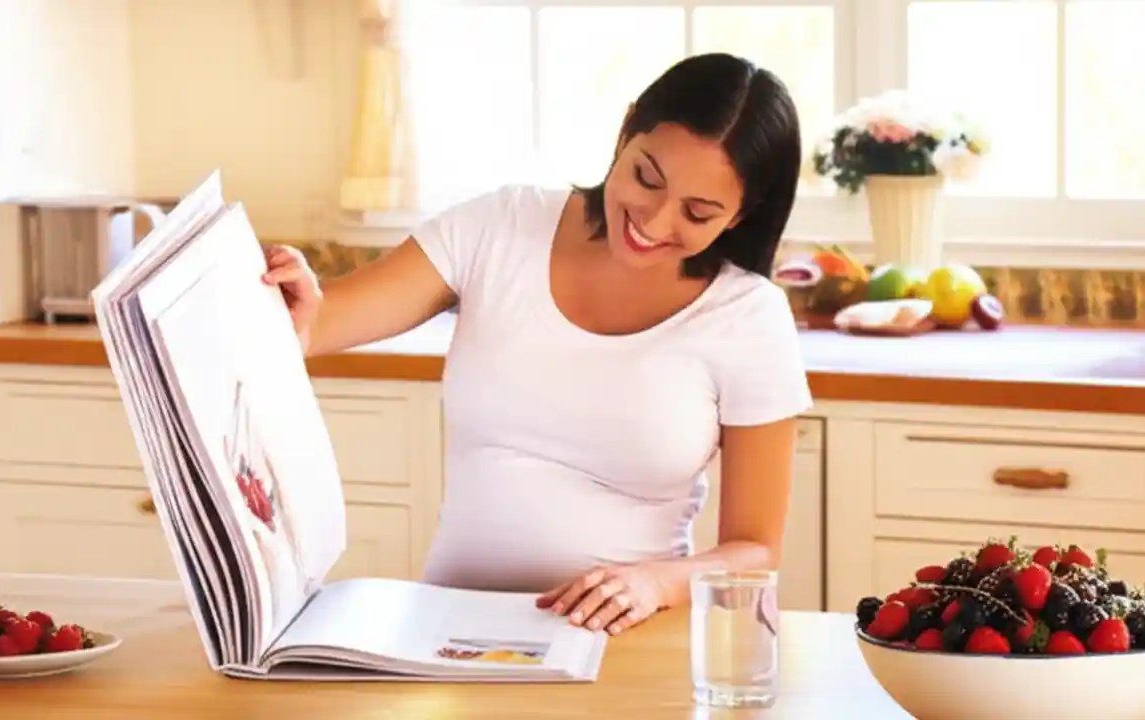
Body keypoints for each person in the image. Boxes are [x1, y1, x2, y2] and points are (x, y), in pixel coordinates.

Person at [261, 52, 812, 637]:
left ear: (738, 216)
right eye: (647, 178)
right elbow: (316, 324)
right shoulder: (500, 227)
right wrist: (292, 298)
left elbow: (755, 549)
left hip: (628, 636)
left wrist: (654, 580)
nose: (653, 221)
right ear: (626, 131)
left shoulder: (748, 317)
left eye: (697, 213)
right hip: (451, 631)